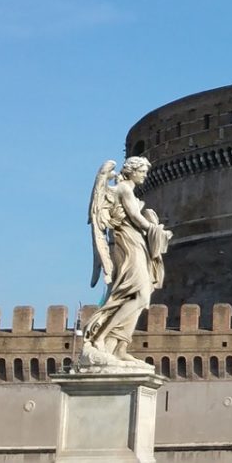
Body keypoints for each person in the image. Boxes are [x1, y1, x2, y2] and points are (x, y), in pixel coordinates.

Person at [83, 157, 172, 368]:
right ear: (132, 171)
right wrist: (159, 231)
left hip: (136, 242)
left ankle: (120, 348)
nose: (145, 175)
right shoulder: (123, 189)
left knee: (142, 296)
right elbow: (135, 217)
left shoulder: (128, 190)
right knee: (138, 292)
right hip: (128, 243)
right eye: (142, 171)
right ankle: (100, 337)